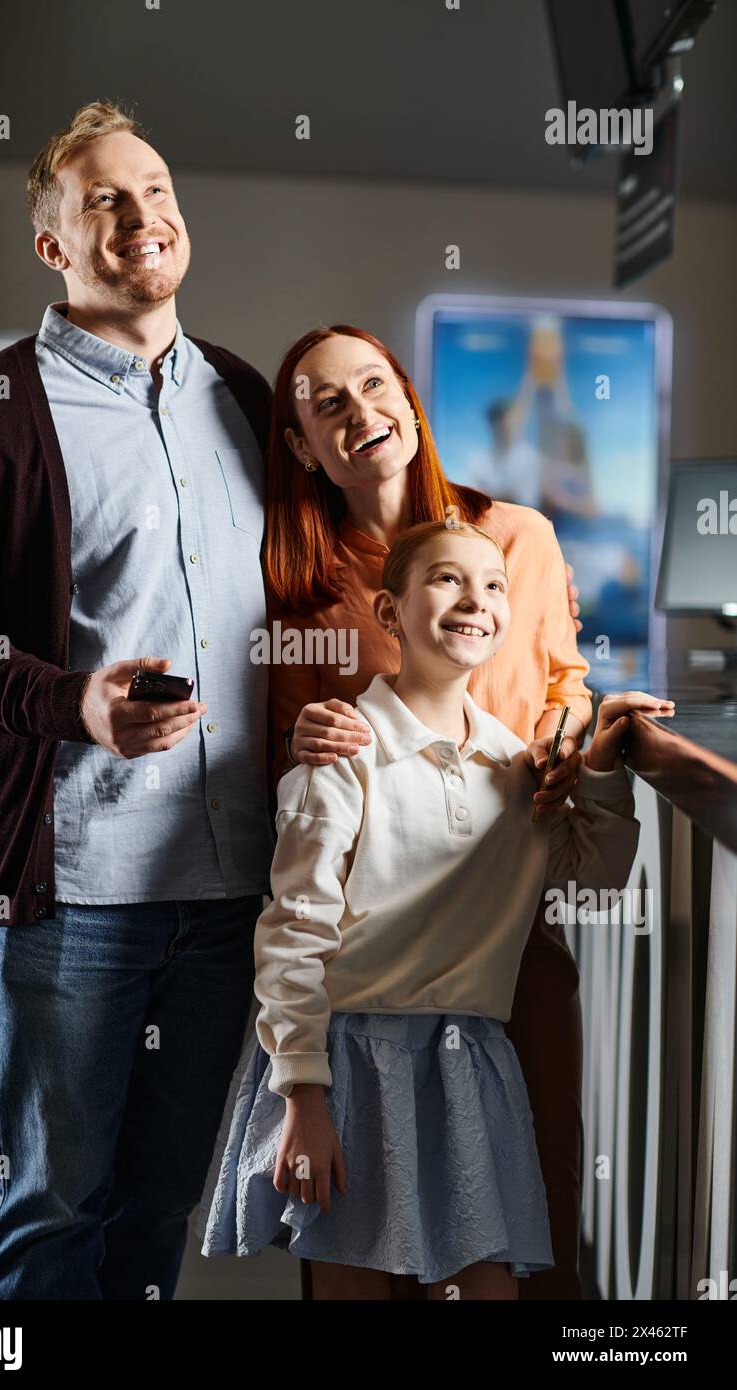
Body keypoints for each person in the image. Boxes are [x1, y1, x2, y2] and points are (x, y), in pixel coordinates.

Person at [0, 100, 276, 1300]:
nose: (140, 216)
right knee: (50, 1209)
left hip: (224, 888)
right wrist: (73, 704)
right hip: (68, 891)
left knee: (159, 1202)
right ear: (53, 246)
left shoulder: (245, 401)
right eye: (103, 199)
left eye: (154, 189)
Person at [200, 520, 667, 1297]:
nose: (474, 600)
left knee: (487, 1286)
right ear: (390, 613)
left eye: (493, 585)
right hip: (345, 1069)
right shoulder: (341, 759)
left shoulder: (517, 770)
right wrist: (304, 1097)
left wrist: (605, 766)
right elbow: (292, 936)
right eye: (446, 579)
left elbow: (596, 876)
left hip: (473, 1069)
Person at [258, 324, 593, 1299]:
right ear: (298, 445)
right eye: (328, 404)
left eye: (373, 385)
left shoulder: (520, 537)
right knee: (363, 1228)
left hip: (507, 936)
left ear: (406, 397)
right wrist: (304, 743)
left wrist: (577, 731)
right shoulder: (306, 601)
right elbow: (292, 765)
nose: (360, 413)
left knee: (532, 1200)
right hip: (378, 971)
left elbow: (564, 677)